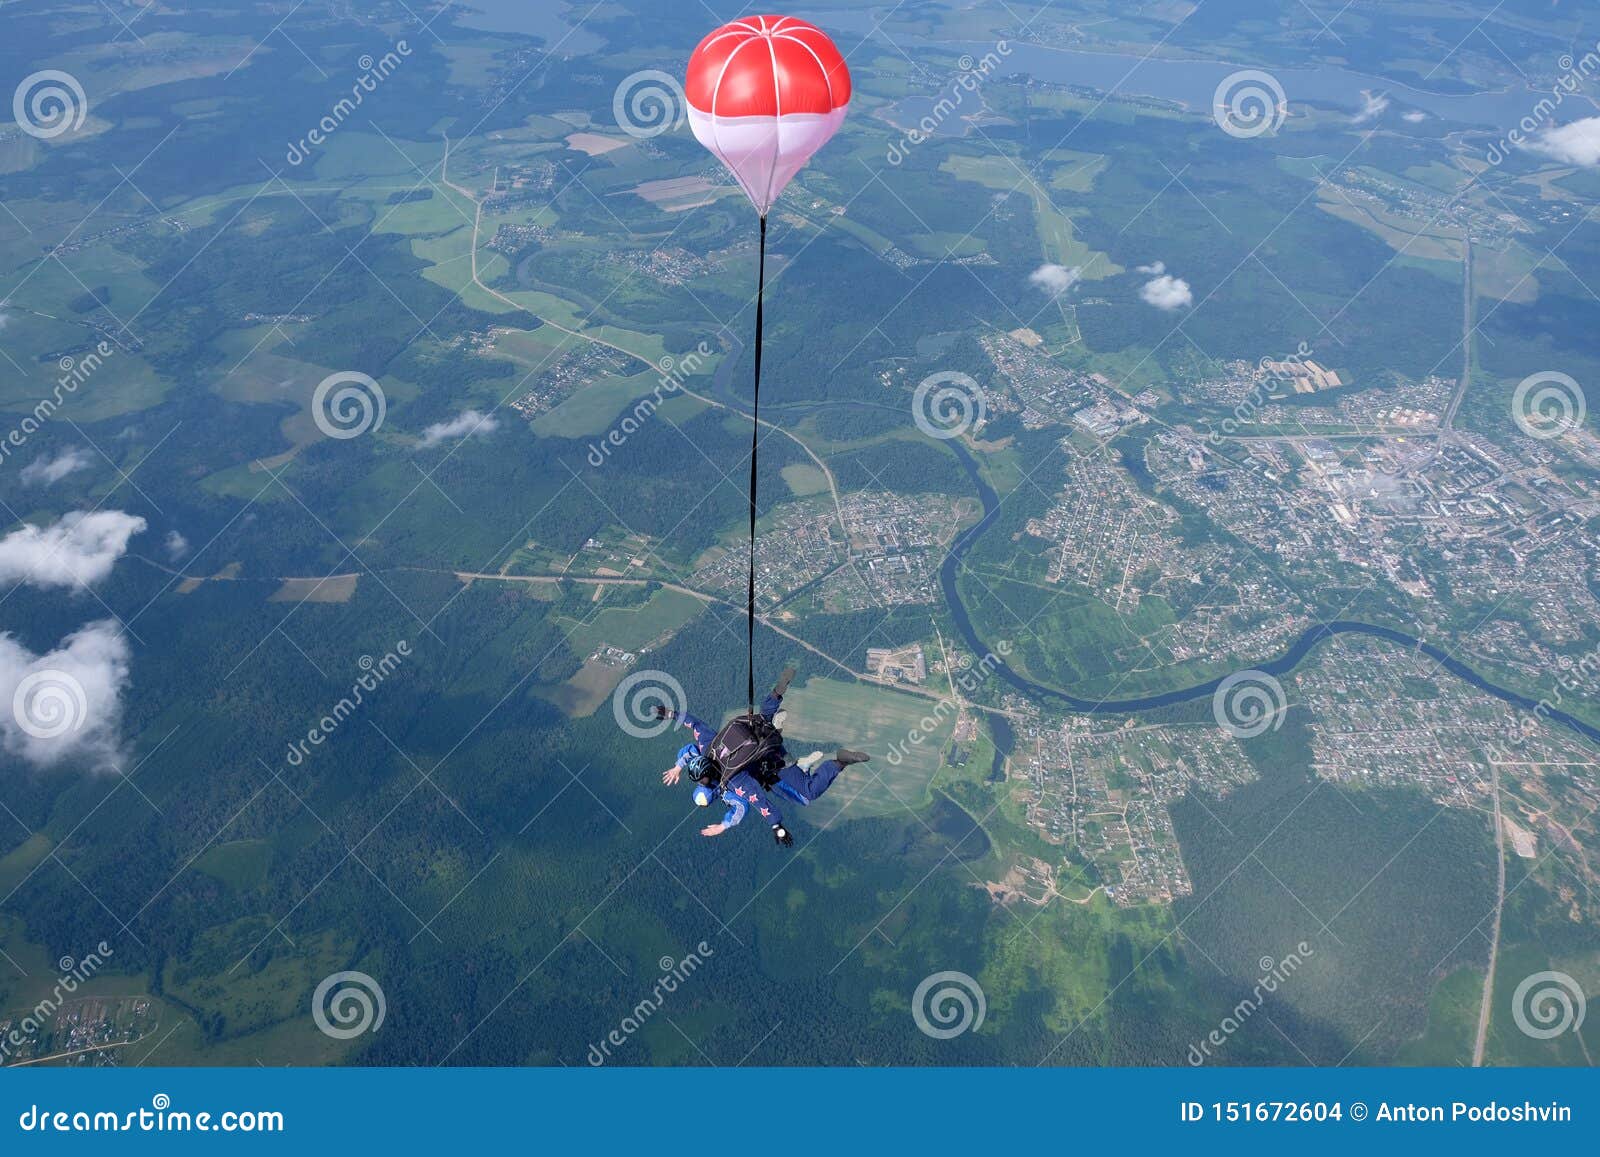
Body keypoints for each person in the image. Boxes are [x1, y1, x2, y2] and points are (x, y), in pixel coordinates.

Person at [654, 668, 870, 846]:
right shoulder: (706, 747)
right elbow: (694, 724)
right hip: (755, 729)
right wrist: (669, 718)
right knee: (764, 717)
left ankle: (839, 761)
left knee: (807, 794)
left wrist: (777, 826)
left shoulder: (732, 783)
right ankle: (777, 693)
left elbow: (758, 803)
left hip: (773, 760)